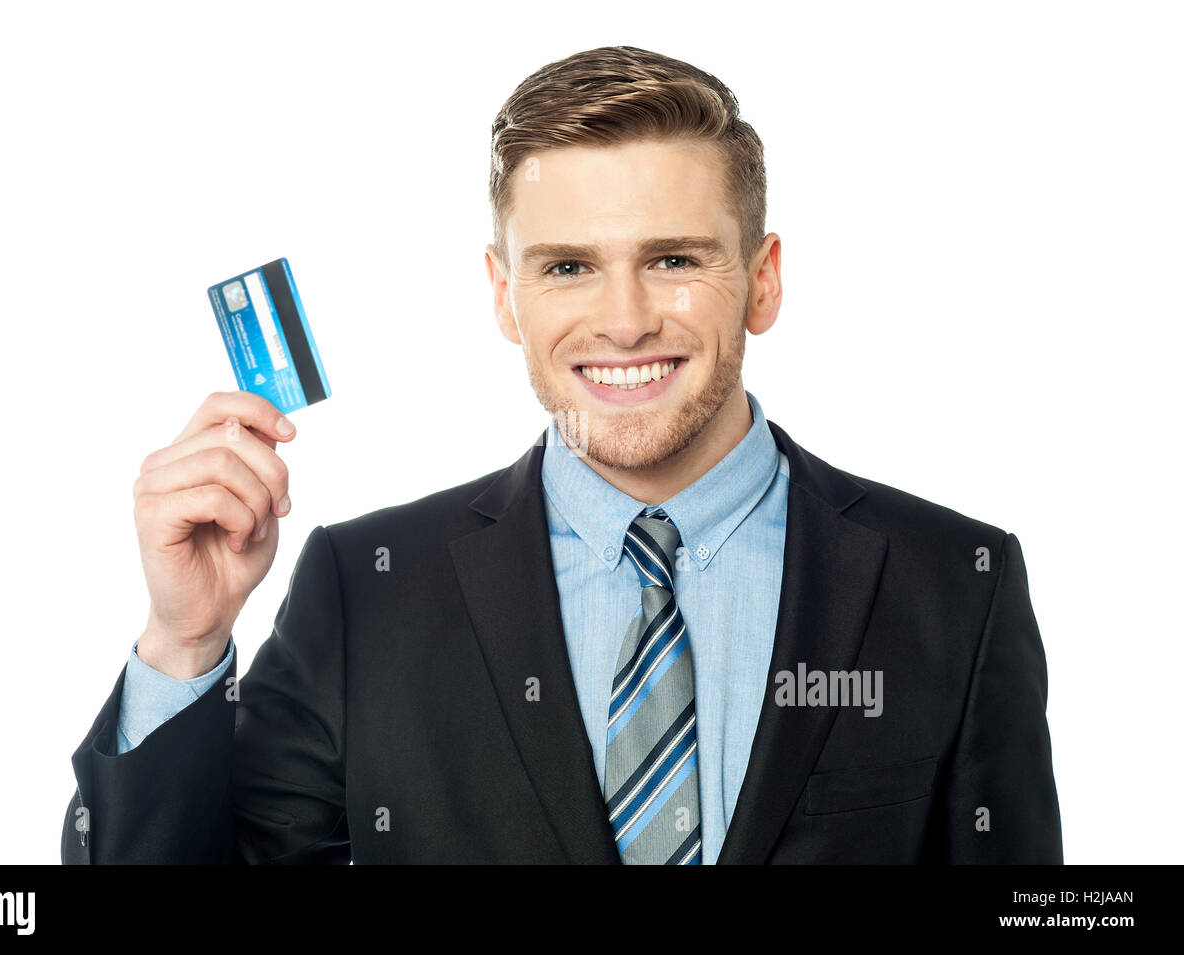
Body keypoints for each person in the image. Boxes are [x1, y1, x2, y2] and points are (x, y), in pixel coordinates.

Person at [62, 45, 1061, 864]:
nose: (623, 322)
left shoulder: (952, 588)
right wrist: (183, 643)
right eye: (569, 267)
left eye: (673, 259)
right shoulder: (366, 591)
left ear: (762, 280)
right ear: (504, 295)